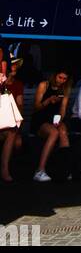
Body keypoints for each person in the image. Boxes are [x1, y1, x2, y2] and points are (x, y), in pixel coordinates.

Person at [31, 69, 71, 182]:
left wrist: (59, 120)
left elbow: (62, 109)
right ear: (55, 76)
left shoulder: (64, 89)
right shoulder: (44, 85)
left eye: (64, 79)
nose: (62, 81)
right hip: (40, 120)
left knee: (63, 130)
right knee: (54, 132)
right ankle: (40, 170)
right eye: (60, 77)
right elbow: (36, 107)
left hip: (53, 119)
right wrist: (48, 100)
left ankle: (65, 169)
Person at [0, 53, 24, 183]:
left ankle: (5, 169)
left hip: (9, 124)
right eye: (12, 64)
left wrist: (14, 117)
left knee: (14, 136)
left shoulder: (18, 84)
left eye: (15, 64)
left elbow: (20, 104)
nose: (14, 67)